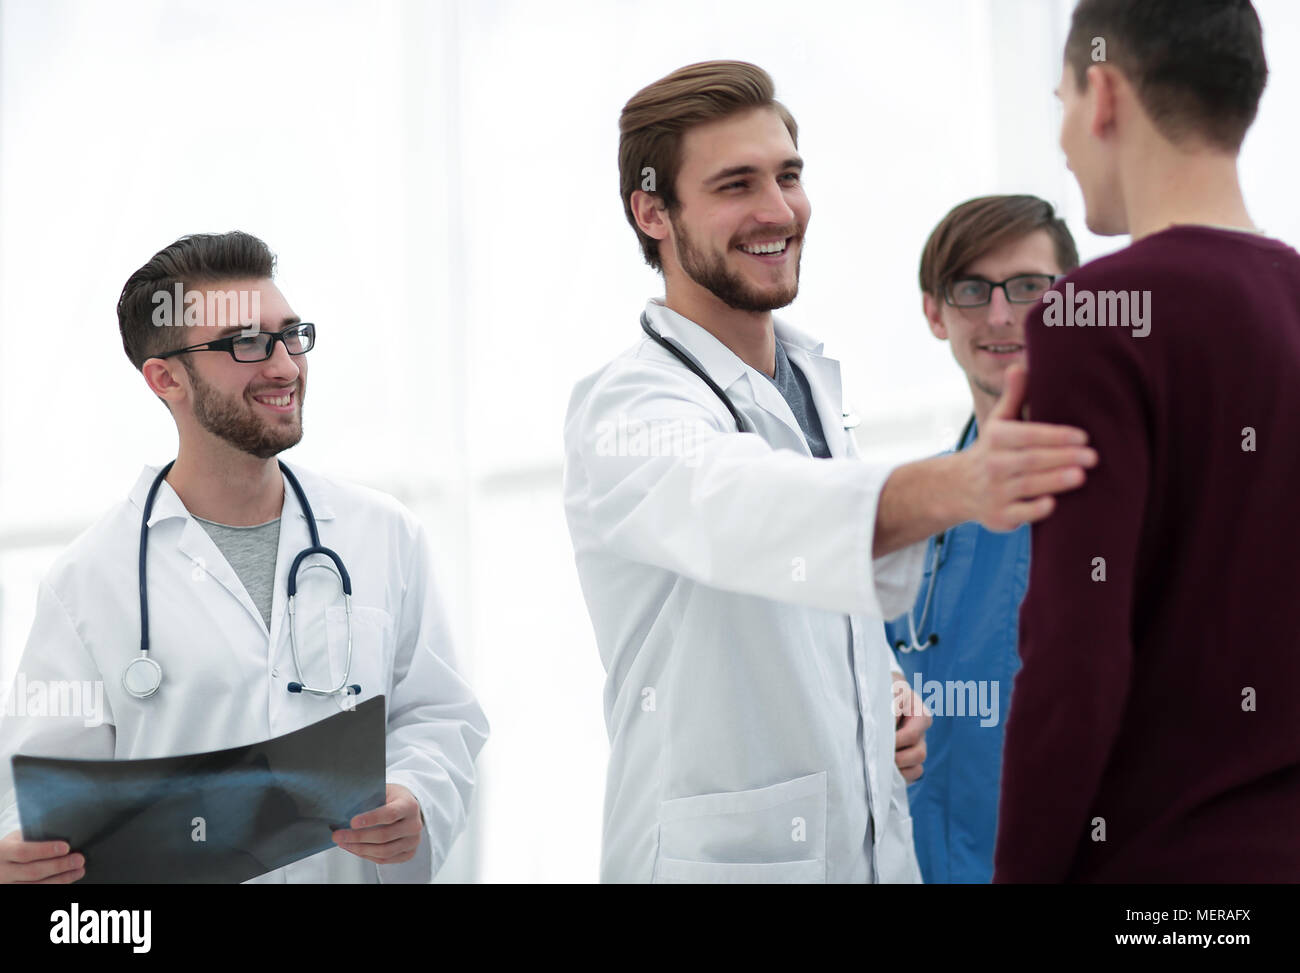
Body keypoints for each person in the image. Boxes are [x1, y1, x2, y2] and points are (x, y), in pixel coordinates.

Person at [563, 60, 1098, 883]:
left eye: (788, 176)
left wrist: (882, 692)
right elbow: (751, 509)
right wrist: (965, 482)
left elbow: (813, 591)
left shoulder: (808, 382)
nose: (779, 211)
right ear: (653, 211)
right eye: (737, 184)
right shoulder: (627, 409)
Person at [0, 231, 488, 884]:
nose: (285, 367)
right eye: (246, 343)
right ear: (166, 377)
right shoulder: (87, 583)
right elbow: (38, 795)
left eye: (291, 336)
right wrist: (21, 855)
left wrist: (417, 794)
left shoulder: (384, 535)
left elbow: (438, 714)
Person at [995, 0, 1300, 881]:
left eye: (1061, 101)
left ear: (1103, 94)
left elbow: (1074, 661)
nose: (1061, 140)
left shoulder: (1095, 317)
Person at [885, 195, 1079, 883]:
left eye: (1028, 287)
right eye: (971, 289)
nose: (1000, 314)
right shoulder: (910, 506)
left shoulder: (1125, 489)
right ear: (935, 313)